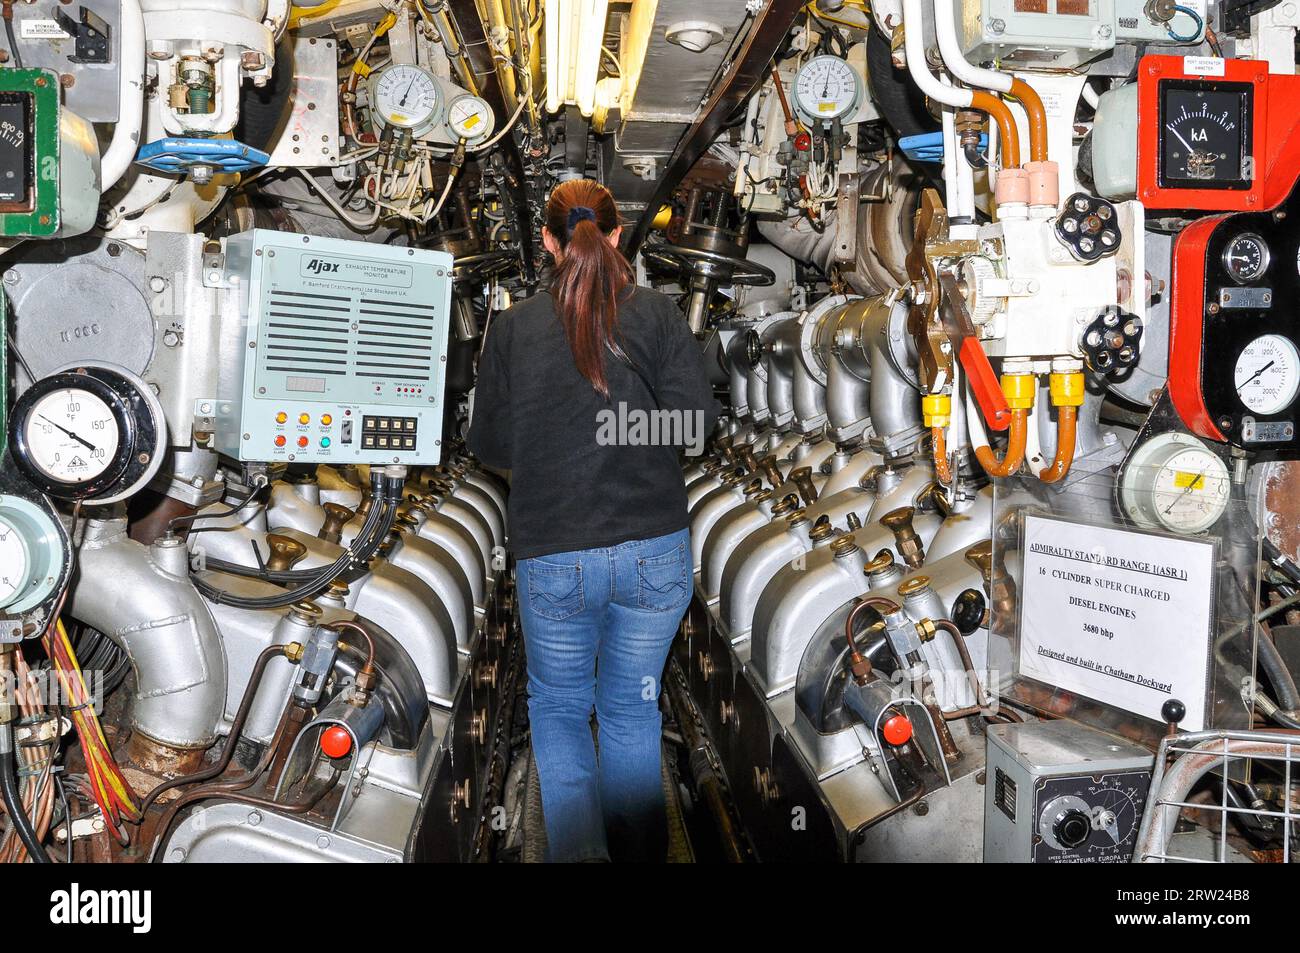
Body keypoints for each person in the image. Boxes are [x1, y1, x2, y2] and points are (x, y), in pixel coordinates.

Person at [467, 179, 720, 862]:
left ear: (549, 242)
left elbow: (487, 446)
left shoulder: (513, 327)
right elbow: (699, 424)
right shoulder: (661, 315)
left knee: (558, 710)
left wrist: (555, 444)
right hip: (653, 560)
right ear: (616, 235)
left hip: (556, 560)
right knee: (633, 709)